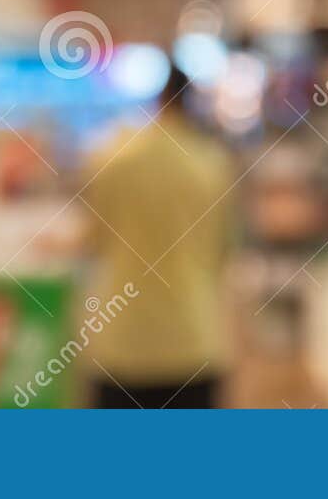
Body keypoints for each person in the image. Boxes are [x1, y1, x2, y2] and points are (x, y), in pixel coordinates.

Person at [80, 63, 235, 407]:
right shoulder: (214, 165)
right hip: (193, 341)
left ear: (158, 100)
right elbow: (225, 251)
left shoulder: (111, 160)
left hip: (122, 342)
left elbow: (93, 240)